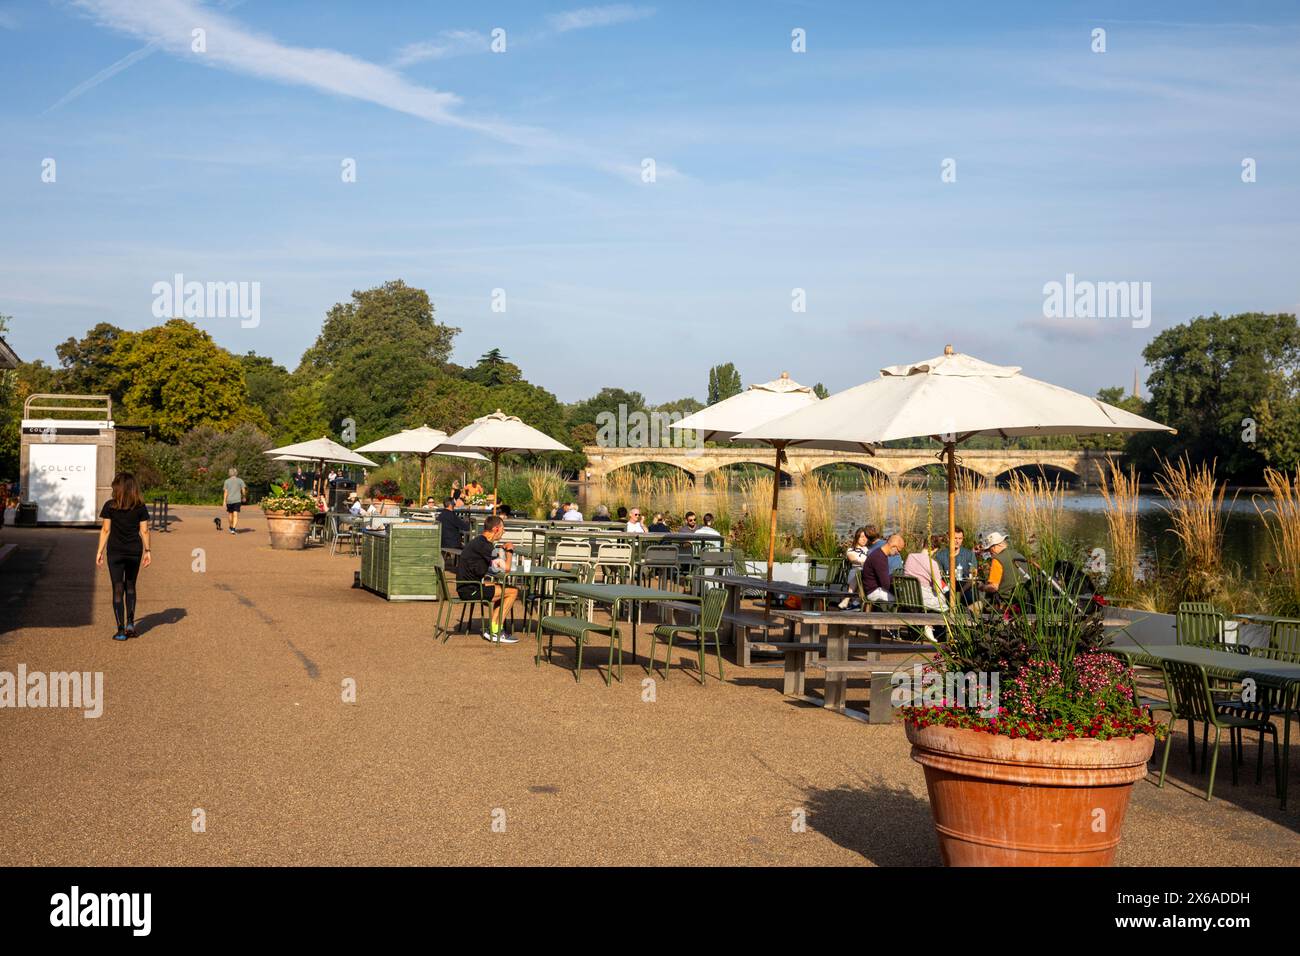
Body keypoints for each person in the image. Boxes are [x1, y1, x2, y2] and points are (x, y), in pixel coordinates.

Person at [95, 473, 151, 641]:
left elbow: (105, 530)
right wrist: (148, 551)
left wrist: (99, 551)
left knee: (118, 588)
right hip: (134, 551)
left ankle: (120, 630)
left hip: (115, 551)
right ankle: (130, 624)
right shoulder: (140, 506)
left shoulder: (110, 506)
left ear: (117, 487)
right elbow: (144, 531)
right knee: (131, 586)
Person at [458, 515, 519, 644]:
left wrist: (498, 553)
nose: (503, 532)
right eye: (503, 529)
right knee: (513, 591)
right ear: (496, 529)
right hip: (470, 590)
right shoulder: (486, 546)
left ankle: (494, 628)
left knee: (502, 589)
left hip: (467, 586)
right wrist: (510, 550)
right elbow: (507, 568)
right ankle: (496, 631)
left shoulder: (479, 542)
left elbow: (494, 567)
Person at [904, 536, 950, 639]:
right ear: (935, 549)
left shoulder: (910, 556)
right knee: (945, 601)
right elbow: (938, 589)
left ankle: (927, 626)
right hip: (923, 600)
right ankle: (933, 629)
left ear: (923, 544)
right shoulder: (932, 563)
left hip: (908, 598)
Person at [981, 531, 1028, 603]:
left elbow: (994, 587)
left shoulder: (997, 560)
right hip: (1025, 599)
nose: (990, 554)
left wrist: (982, 587)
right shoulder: (1019, 555)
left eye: (989, 550)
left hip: (1005, 602)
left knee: (974, 607)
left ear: (993, 547)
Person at [935, 526, 978, 602]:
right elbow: (938, 577)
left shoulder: (970, 555)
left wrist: (961, 593)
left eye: (960, 538)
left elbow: (973, 578)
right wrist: (949, 593)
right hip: (947, 590)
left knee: (971, 599)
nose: (957, 541)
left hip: (965, 589)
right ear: (948, 538)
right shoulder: (940, 555)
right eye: (955, 538)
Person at [861, 533, 903, 604]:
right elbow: (885, 584)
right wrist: (898, 591)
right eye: (898, 550)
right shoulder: (879, 558)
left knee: (900, 596)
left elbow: (883, 577)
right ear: (893, 546)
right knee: (901, 600)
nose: (898, 553)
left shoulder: (880, 553)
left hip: (873, 588)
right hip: (873, 591)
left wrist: (894, 577)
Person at [838, 527, 873, 609]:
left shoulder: (868, 550)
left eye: (866, 537)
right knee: (858, 571)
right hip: (855, 574)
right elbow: (853, 560)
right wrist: (863, 563)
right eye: (862, 537)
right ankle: (855, 603)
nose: (864, 539)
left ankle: (847, 600)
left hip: (866, 574)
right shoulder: (851, 550)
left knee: (861, 572)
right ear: (857, 537)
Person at [222, 467, 247, 536]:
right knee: (235, 515)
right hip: (237, 500)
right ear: (236, 473)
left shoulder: (226, 481)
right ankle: (233, 528)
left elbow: (225, 492)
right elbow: (243, 489)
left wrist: (224, 501)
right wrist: (244, 496)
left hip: (229, 500)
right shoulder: (240, 481)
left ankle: (231, 527)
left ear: (229, 473)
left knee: (230, 514)